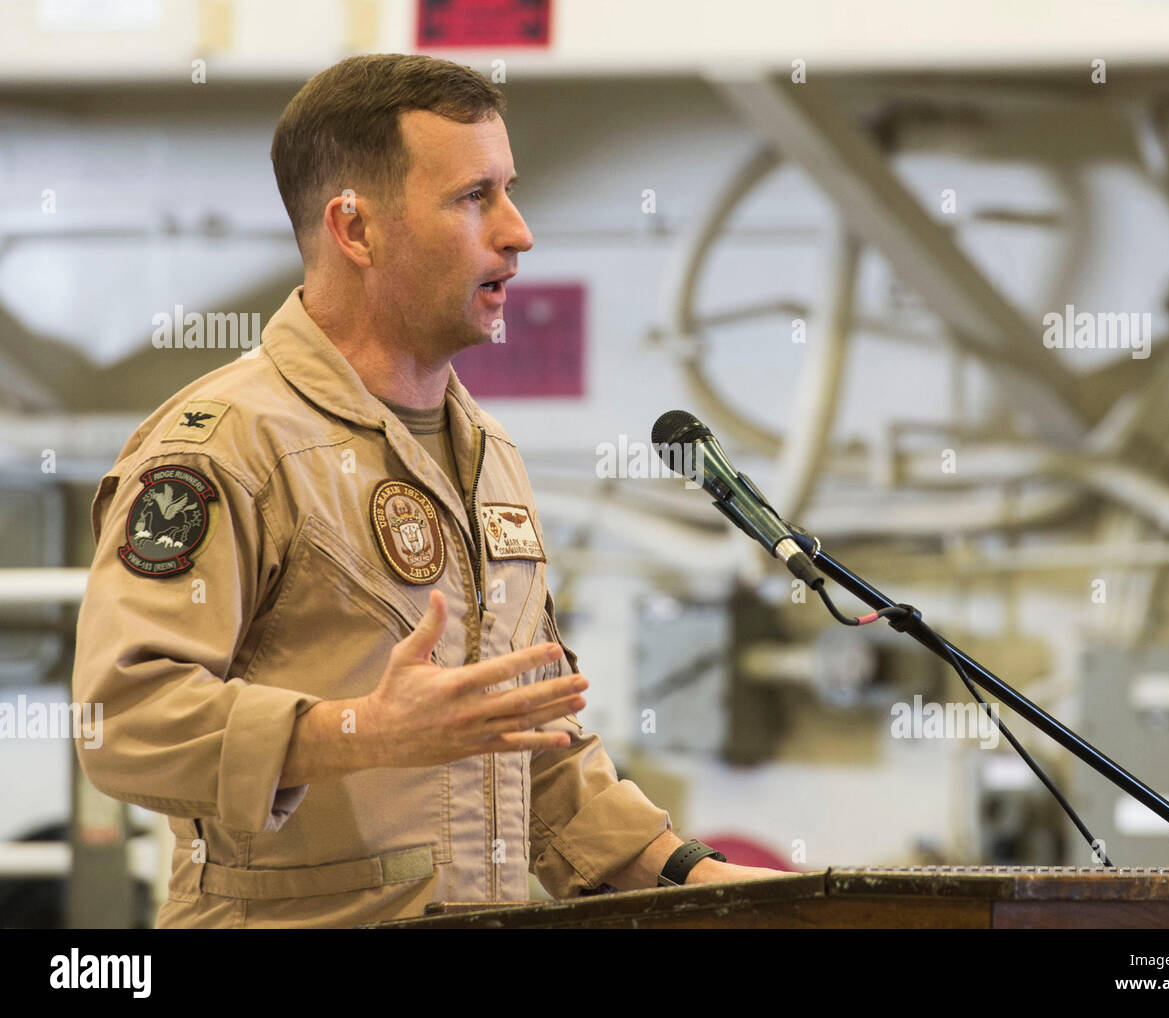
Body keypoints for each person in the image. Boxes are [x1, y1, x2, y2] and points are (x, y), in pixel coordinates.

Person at [71, 53, 784, 929]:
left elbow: (533, 754)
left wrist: (706, 883)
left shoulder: (489, 455)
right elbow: (125, 718)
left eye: (509, 191)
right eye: (474, 198)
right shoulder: (228, 446)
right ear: (356, 230)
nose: (519, 232)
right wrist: (355, 733)